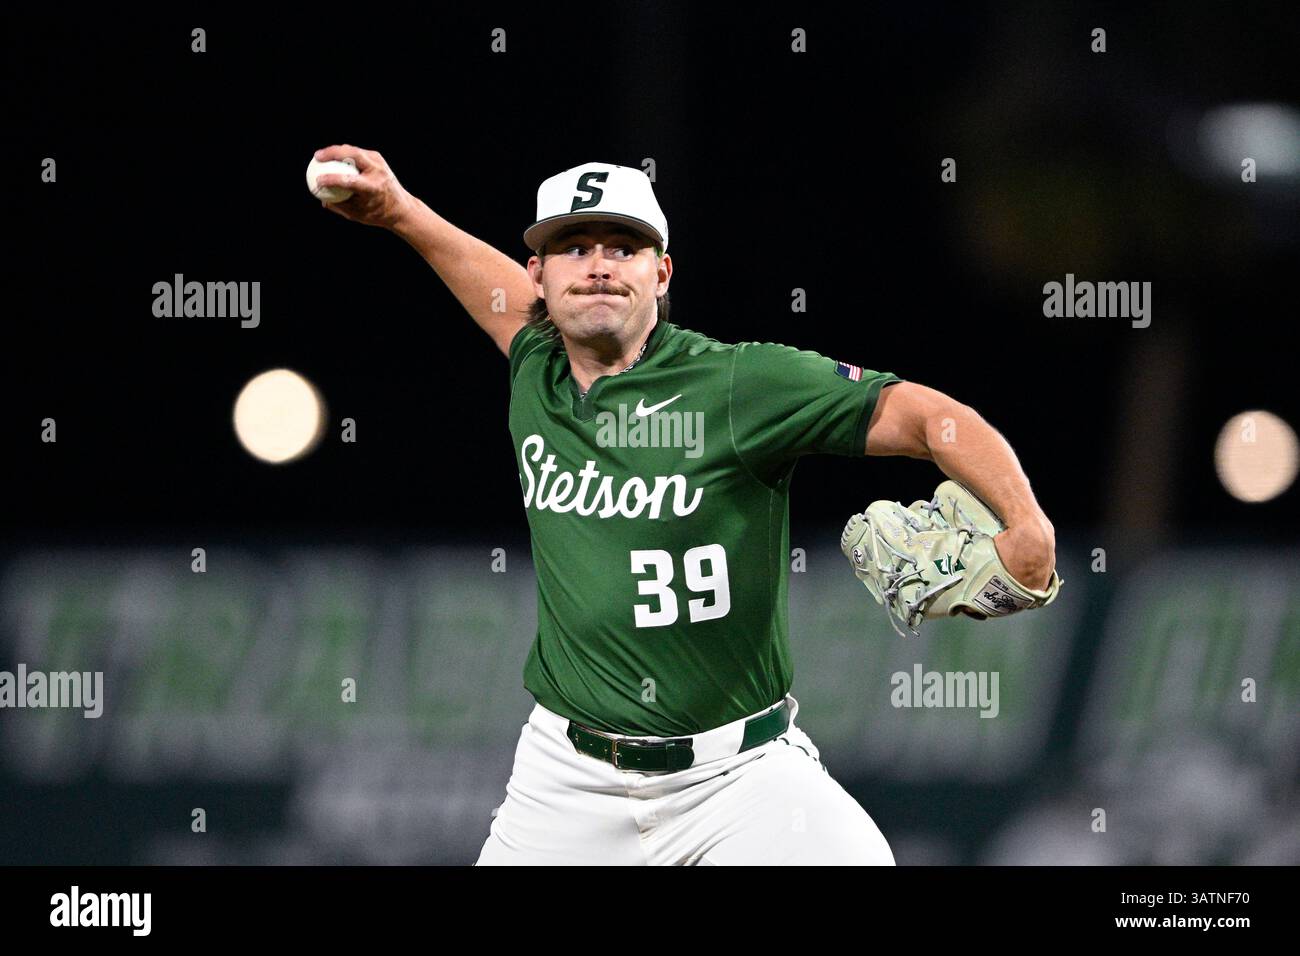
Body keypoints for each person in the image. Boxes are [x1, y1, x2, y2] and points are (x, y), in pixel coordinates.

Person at [314, 148, 1058, 865]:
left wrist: (1027, 524)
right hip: (566, 783)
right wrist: (401, 212)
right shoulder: (536, 366)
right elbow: (490, 289)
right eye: (573, 247)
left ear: (662, 272)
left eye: (623, 247)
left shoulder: (736, 385)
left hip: (739, 780)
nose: (599, 264)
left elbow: (930, 418)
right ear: (537, 276)